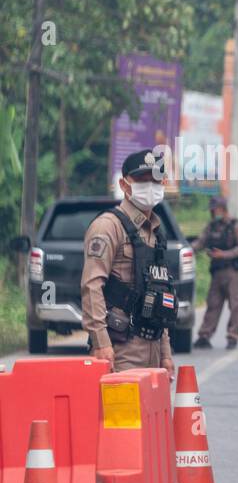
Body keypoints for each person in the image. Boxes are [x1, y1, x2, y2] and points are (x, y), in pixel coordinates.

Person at [81, 147, 177, 377]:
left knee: (152, 414)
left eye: (155, 180)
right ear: (125, 185)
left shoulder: (156, 233)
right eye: (142, 180)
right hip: (121, 348)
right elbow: (91, 286)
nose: (150, 186)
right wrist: (101, 343)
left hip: (153, 347)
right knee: (123, 413)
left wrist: (165, 353)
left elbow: (158, 295)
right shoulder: (108, 227)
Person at [191, 195, 238, 350]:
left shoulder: (235, 225)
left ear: (222, 209)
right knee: (213, 303)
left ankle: (233, 337)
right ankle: (204, 335)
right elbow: (200, 242)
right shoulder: (211, 227)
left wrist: (224, 254)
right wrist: (188, 250)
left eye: (214, 209)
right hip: (217, 272)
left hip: (233, 271)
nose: (212, 213)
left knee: (235, 304)